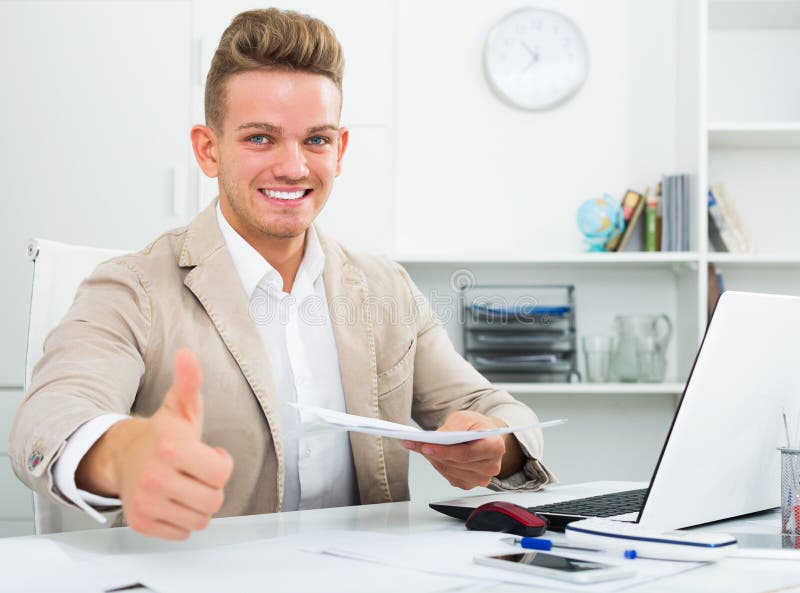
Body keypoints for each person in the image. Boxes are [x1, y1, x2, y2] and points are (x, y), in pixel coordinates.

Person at [10, 8, 554, 541]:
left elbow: (494, 410)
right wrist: (125, 455)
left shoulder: (386, 288)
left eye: (316, 140)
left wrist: (494, 443)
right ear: (208, 150)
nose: (293, 167)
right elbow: (48, 420)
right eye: (260, 138)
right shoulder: (133, 287)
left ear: (339, 150)